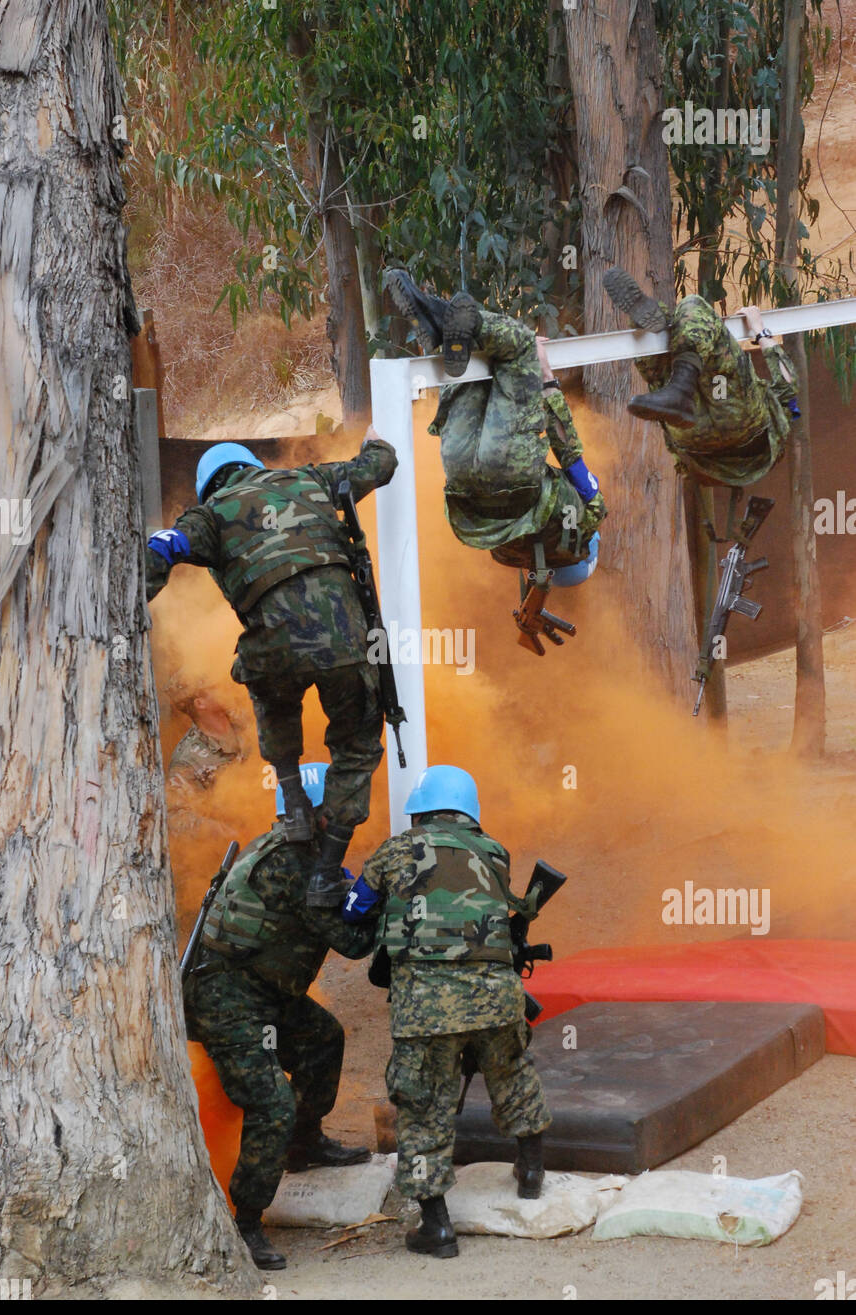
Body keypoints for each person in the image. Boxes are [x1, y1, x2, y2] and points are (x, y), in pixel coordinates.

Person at [145, 430, 398, 905]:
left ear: (209, 486)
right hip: (345, 641)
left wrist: (127, 604)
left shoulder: (210, 514)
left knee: (272, 698)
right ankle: (327, 873)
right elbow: (379, 467)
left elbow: (165, 548)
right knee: (356, 749)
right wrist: (377, 441)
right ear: (253, 466)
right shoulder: (311, 480)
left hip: (274, 651)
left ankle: (294, 804)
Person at [342, 764, 552, 1258]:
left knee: (423, 1106)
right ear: (469, 812)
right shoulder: (495, 852)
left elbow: (353, 910)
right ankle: (532, 1173)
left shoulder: (396, 849)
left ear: (421, 810)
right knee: (513, 1075)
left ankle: (436, 1226)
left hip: (426, 1010)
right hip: (497, 998)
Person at [183, 762, 374, 1271]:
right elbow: (354, 942)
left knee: (322, 1039)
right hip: (229, 1000)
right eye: (332, 810)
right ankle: (246, 1221)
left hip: (264, 991)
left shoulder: (299, 852)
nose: (343, 818)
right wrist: (380, 903)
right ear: (309, 815)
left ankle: (304, 1143)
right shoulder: (295, 865)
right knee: (271, 1104)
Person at [385, 269, 606, 586]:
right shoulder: (510, 555)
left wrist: (545, 378)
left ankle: (454, 322)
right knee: (469, 377)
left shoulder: (586, 525)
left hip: (514, 473)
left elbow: (569, 452)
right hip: (461, 479)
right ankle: (439, 335)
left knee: (521, 347)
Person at [602, 267, 801, 489]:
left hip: (718, 429)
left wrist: (760, 332)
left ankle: (674, 373)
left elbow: (788, 384)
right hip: (710, 435)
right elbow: (787, 388)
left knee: (692, 309)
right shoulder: (765, 446)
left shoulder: (782, 426)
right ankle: (676, 380)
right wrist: (760, 330)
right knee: (678, 354)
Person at [164, 673, 246, 836]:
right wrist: (221, 831)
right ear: (200, 703)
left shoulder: (246, 720)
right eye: (216, 686)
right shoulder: (188, 759)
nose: (226, 687)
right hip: (238, 847)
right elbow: (176, 817)